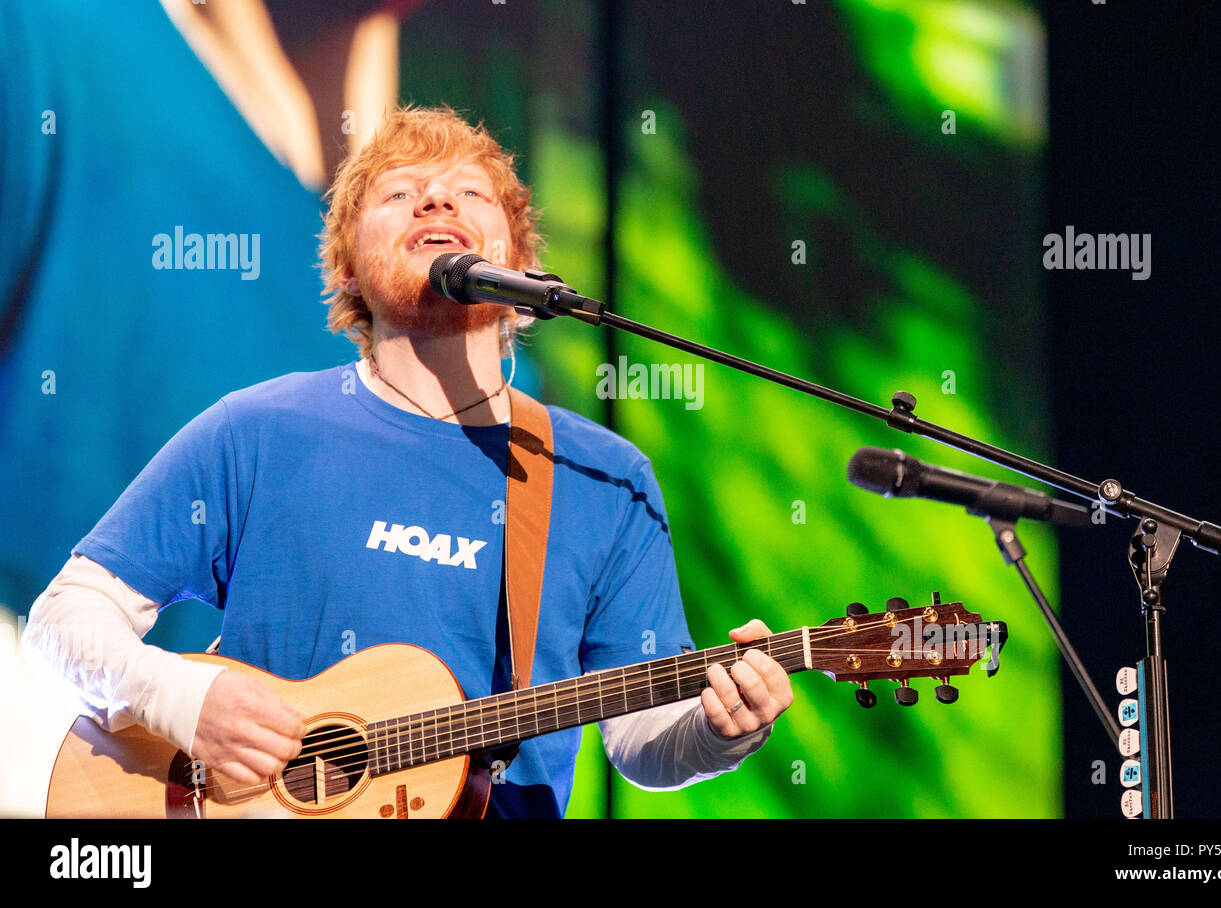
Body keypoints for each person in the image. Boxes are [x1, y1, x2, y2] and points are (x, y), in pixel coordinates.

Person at [23, 106, 794, 818]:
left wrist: (719, 731)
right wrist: (183, 701)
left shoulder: (605, 478)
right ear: (349, 269)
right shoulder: (255, 432)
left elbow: (644, 742)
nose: (437, 201)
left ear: (521, 269)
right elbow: (62, 621)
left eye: (470, 193)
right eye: (400, 195)